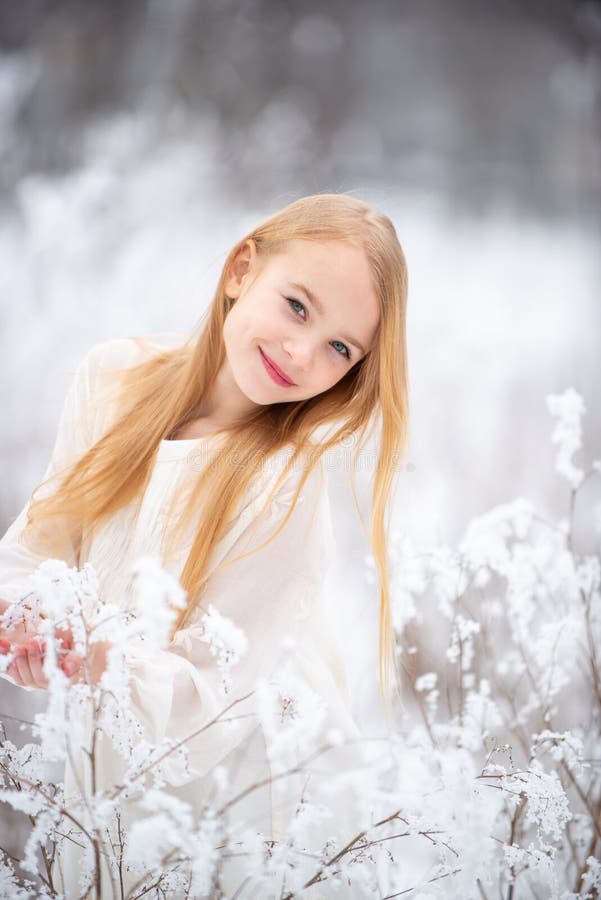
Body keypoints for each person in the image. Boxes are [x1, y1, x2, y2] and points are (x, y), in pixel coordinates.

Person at [0, 192, 409, 898]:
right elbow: (37, 547)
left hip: (248, 794)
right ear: (241, 271)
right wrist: (29, 620)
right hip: (110, 755)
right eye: (297, 306)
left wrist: (95, 657)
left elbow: (212, 696)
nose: (301, 352)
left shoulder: (285, 483)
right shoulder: (113, 379)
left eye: (340, 348)